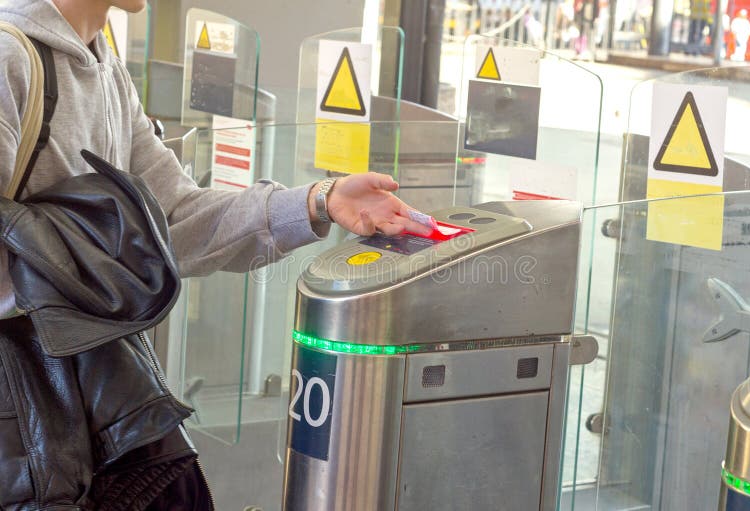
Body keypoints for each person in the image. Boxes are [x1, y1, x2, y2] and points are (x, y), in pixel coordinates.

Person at [0, 0, 432, 507]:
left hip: (96, 379)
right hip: (31, 393)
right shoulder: (11, 56)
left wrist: (320, 201)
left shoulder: (104, 66)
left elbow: (175, 218)